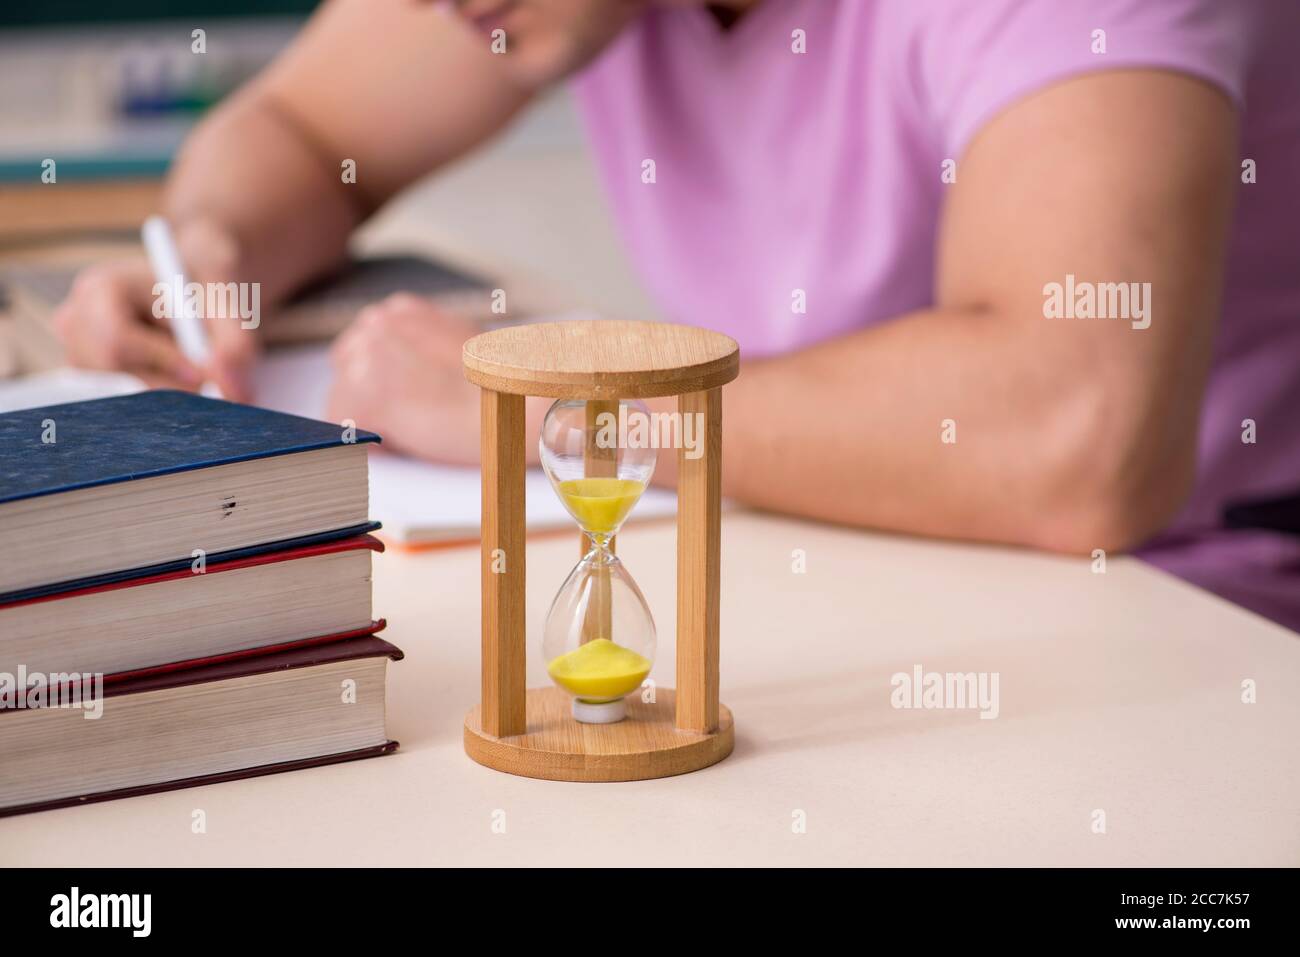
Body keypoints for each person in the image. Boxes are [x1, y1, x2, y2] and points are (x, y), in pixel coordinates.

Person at [52, 0, 1300, 630]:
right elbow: (300, 132)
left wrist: (553, 397)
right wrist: (213, 247)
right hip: (831, 567)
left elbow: (1079, 435)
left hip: (1176, 617)